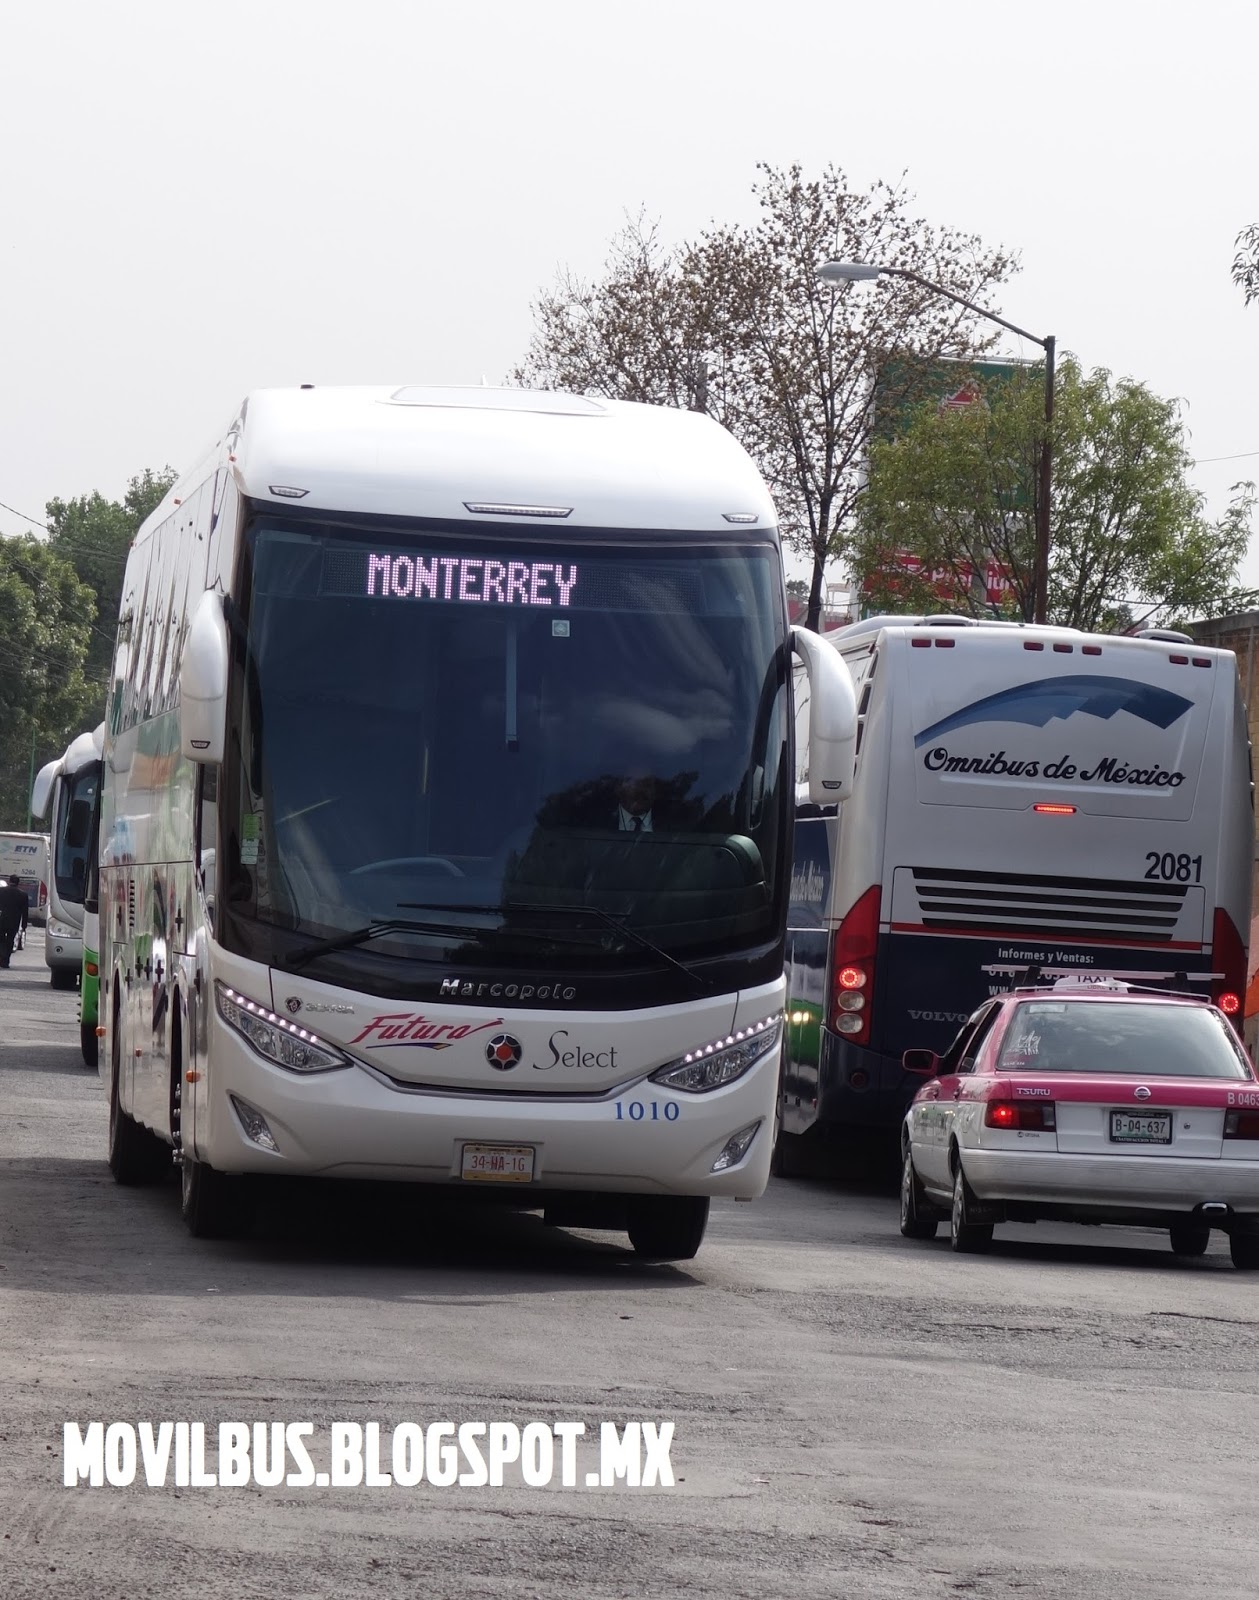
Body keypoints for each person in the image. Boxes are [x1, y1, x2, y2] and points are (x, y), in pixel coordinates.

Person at [0, 875, 29, 968]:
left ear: (9, 881)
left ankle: (2, 955)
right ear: (18, 883)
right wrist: (24, 925)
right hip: (14, 921)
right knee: (10, 940)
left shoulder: (1, 891)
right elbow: (25, 912)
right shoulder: (23, 895)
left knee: (1, 940)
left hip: (2, 918)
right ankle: (6, 960)